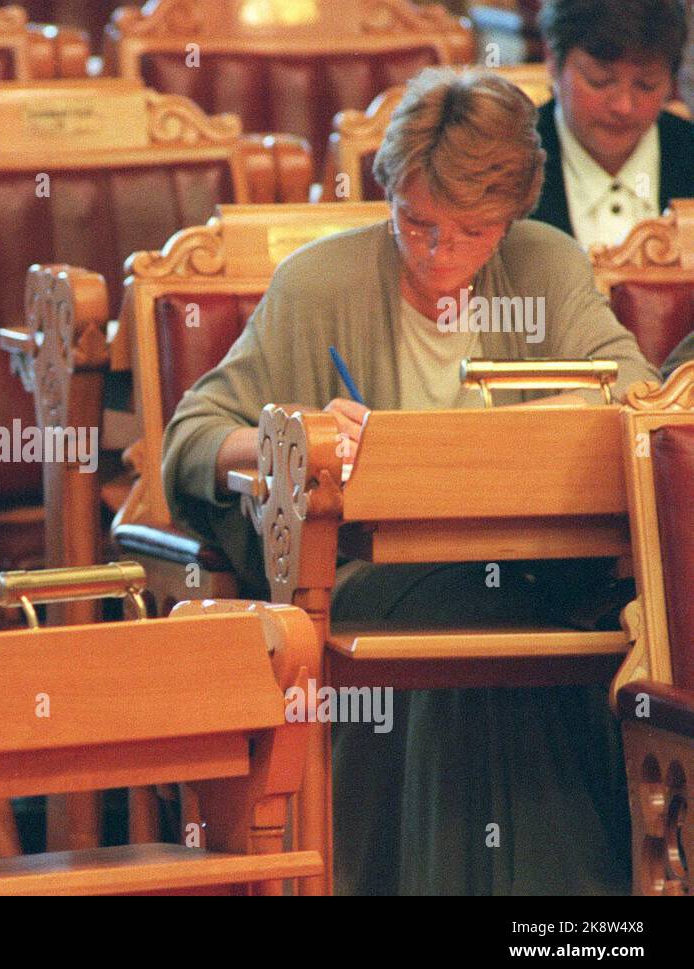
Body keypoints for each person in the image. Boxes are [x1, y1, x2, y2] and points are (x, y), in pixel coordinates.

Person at [164, 68, 658, 894]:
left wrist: (561, 409)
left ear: (512, 217)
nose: (437, 252)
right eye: (416, 222)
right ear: (389, 193)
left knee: (548, 636)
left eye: (470, 231)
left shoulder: (545, 265)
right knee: (477, 642)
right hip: (366, 578)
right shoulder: (321, 284)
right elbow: (193, 439)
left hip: (534, 572)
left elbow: (635, 396)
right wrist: (297, 439)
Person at [530, 0, 694, 248]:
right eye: (600, 81)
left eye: (646, 84)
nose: (623, 106)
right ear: (553, 59)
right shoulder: (504, 161)